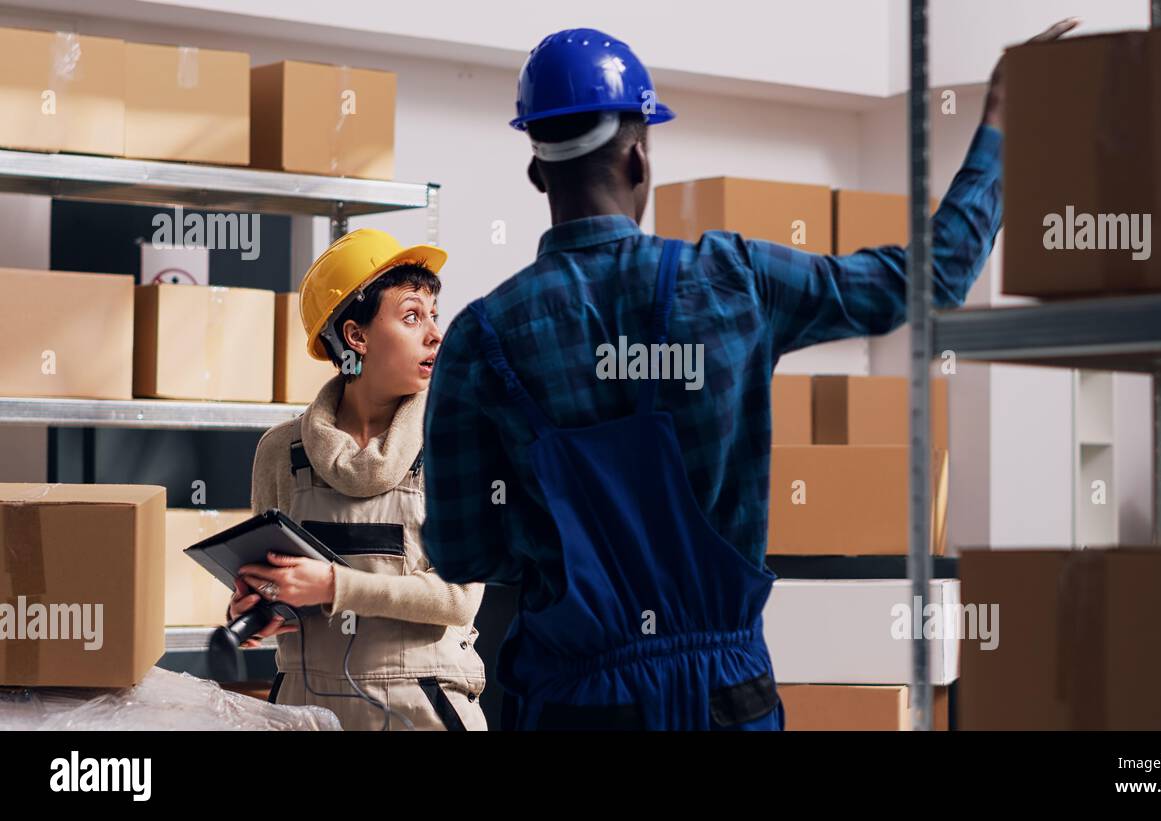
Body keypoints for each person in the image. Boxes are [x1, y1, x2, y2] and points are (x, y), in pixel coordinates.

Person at [422, 21, 1078, 731]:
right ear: (639, 157)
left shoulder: (480, 338)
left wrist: (564, 547)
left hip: (576, 703)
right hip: (725, 696)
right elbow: (936, 273)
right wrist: (1001, 123)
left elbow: (462, 552)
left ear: (536, 170)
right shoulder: (733, 280)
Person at [231, 228, 488, 730]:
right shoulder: (281, 451)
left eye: (434, 314)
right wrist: (261, 605)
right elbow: (274, 577)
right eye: (412, 316)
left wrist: (333, 585)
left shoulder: (459, 442)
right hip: (307, 711)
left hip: (425, 711)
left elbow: (458, 599)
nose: (435, 334)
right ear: (357, 337)